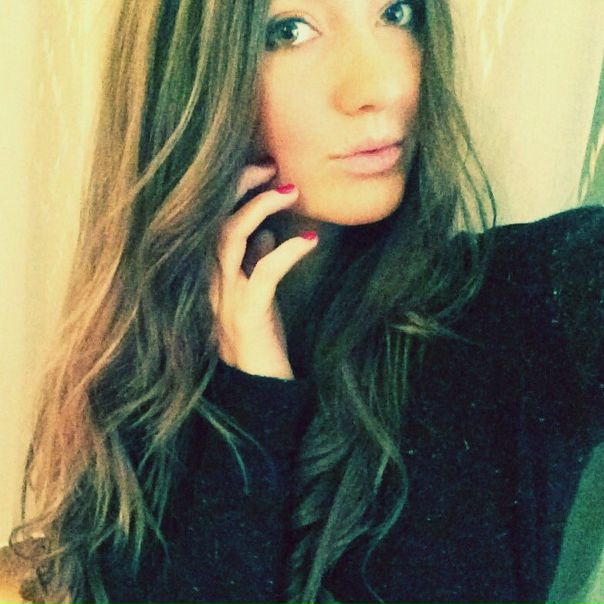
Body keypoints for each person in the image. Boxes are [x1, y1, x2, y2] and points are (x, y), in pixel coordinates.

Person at [9, 0, 604, 602]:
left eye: (396, 12)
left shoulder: (527, 302)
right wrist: (253, 398)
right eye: (290, 30)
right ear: (191, 76)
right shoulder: (140, 383)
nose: (380, 86)